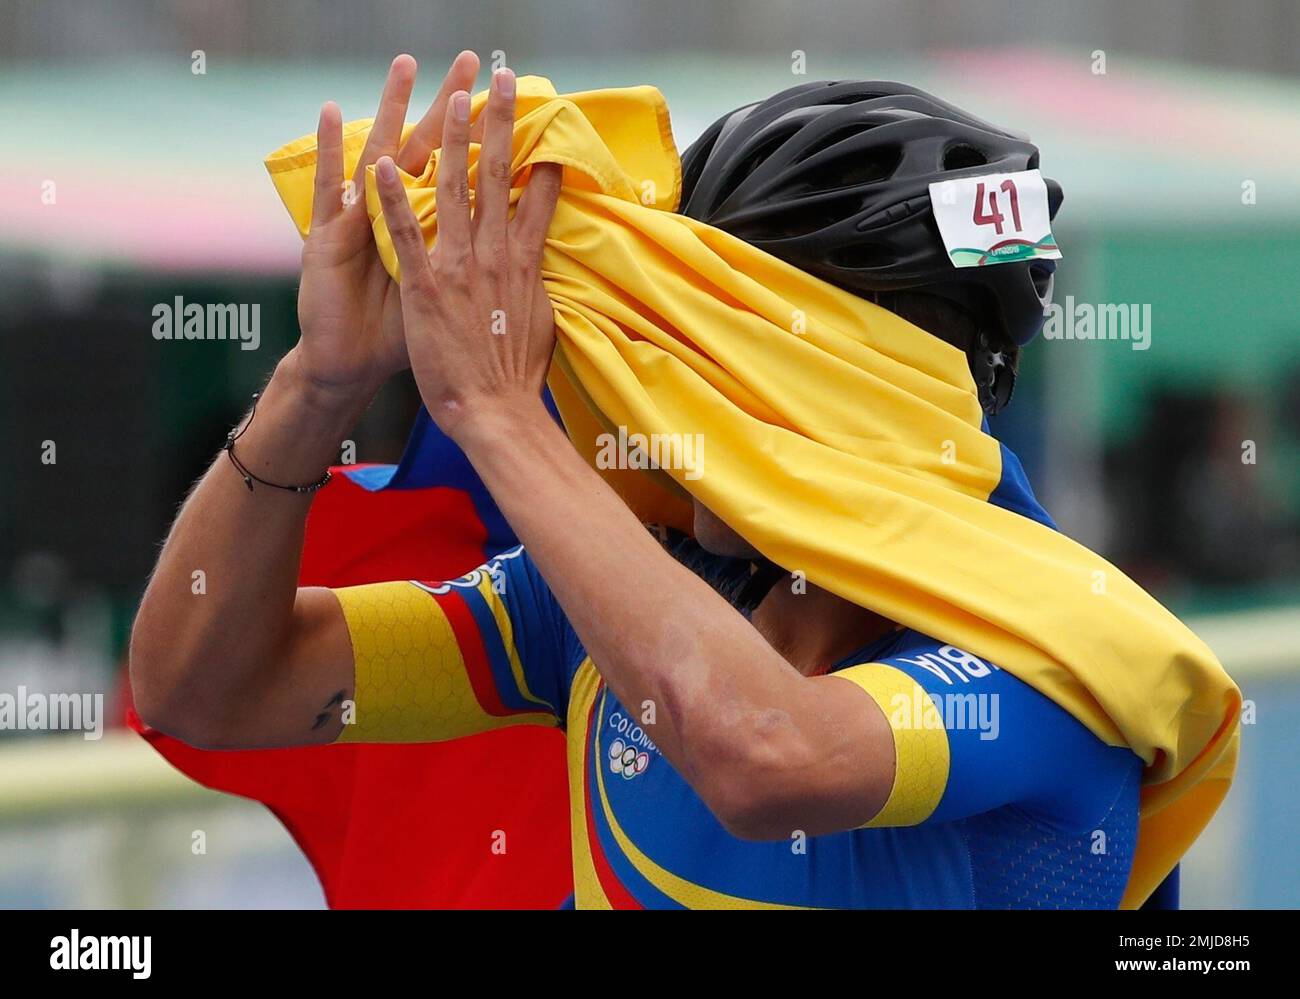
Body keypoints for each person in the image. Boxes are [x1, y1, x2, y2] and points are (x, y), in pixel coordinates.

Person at [130, 53, 1144, 908]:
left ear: (864, 399)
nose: (657, 400)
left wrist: (496, 413)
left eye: (705, 357)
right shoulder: (616, 592)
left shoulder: (1045, 655)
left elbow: (765, 756)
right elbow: (205, 692)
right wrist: (318, 384)